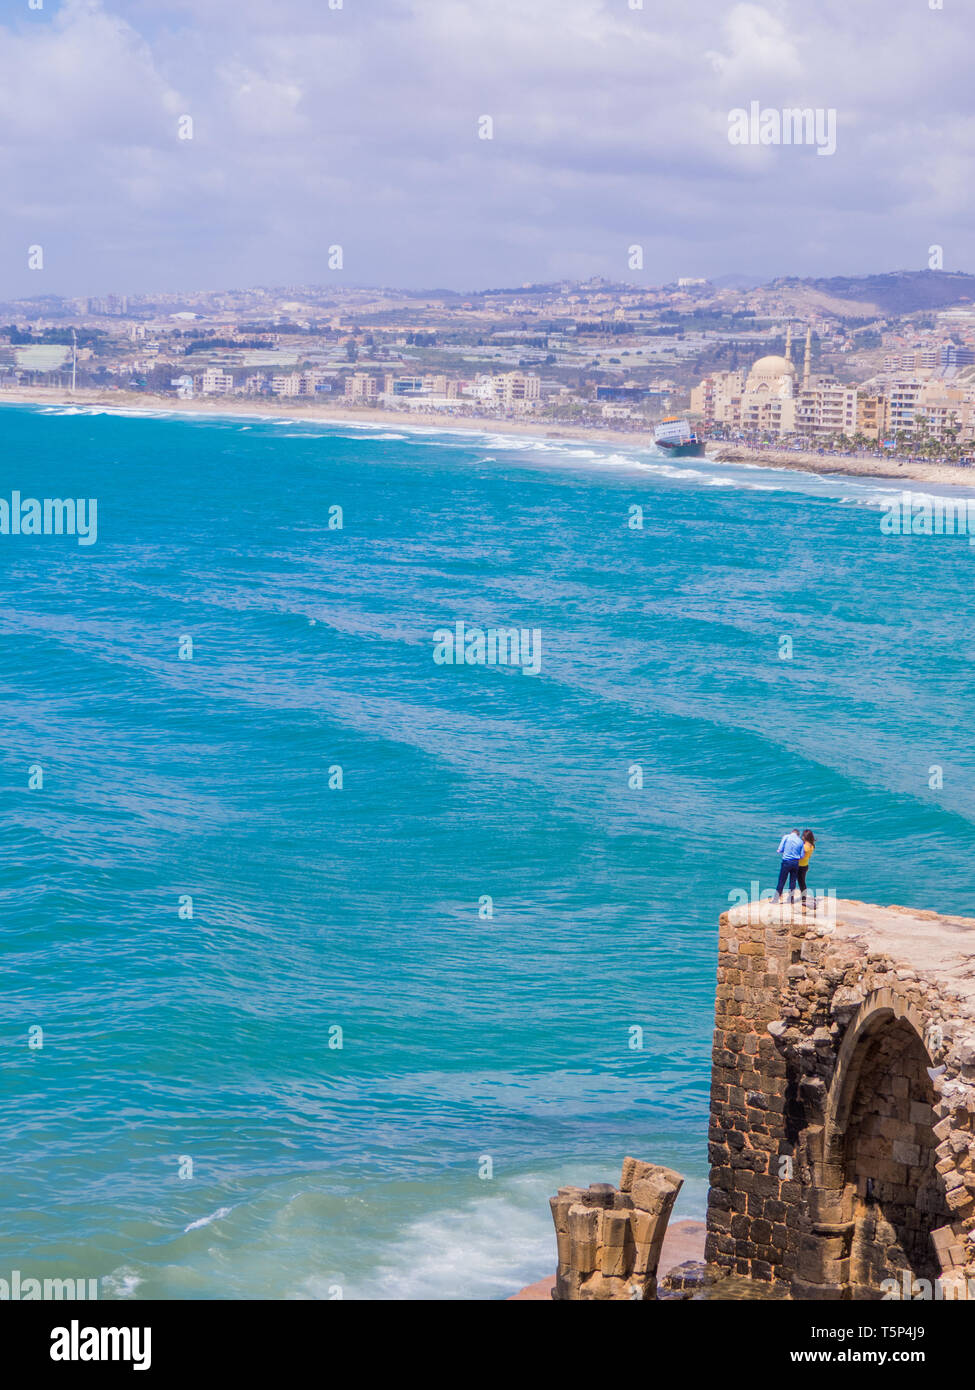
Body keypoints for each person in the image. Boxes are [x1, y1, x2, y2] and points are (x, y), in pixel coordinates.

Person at [774, 828, 804, 901]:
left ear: (792, 832)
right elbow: (802, 855)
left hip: (786, 862)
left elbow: (780, 849)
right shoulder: (800, 841)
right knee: (793, 881)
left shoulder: (786, 837)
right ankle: (791, 899)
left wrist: (784, 851)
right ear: (798, 834)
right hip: (795, 863)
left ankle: (776, 899)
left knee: (782, 880)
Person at [797, 831, 816, 905]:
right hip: (805, 865)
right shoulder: (811, 846)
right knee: (802, 882)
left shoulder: (805, 847)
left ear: (805, 837)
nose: (802, 837)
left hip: (800, 866)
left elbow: (799, 855)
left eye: (803, 836)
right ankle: (803, 898)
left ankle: (803, 899)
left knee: (801, 883)